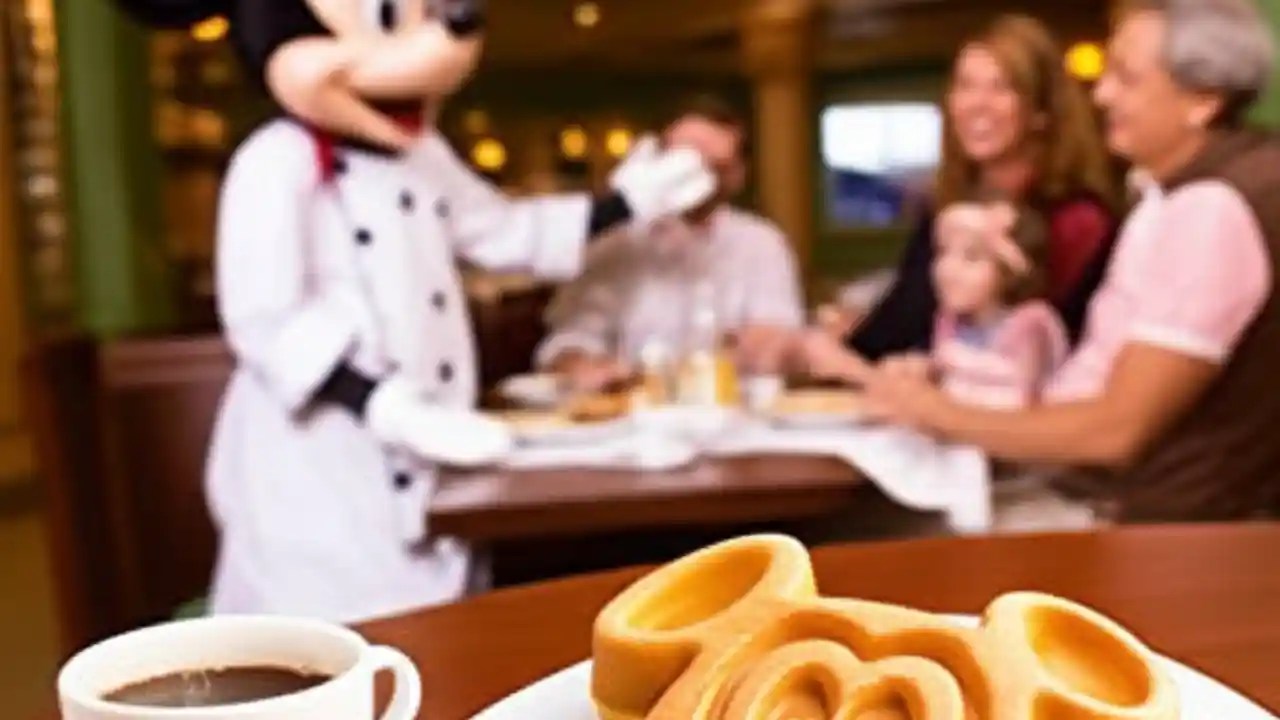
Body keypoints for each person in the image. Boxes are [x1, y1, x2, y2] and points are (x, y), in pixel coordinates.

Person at [118, 0, 717, 622]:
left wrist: (627, 204)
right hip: (322, 476)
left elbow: (506, 233)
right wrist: (385, 405)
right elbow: (267, 320)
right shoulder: (275, 160)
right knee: (329, 658)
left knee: (439, 643)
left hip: (433, 480)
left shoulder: (422, 157)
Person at [868, 0, 1280, 524]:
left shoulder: (1210, 209)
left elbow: (1114, 433)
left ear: (1202, 100)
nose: (1102, 94)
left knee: (855, 538)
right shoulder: (1182, 192)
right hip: (1097, 497)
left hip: (1138, 523)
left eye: (1126, 79)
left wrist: (935, 411)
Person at [794, 14, 1118, 383]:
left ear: (1041, 113)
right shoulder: (946, 207)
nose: (977, 104)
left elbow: (1038, 353)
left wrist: (873, 365)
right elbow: (897, 324)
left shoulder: (1077, 220)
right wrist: (834, 347)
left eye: (1002, 87)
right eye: (965, 86)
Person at [535, 98, 805, 389]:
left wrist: (761, 347)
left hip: (734, 410)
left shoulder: (761, 242)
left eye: (714, 166)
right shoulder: (617, 242)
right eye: (684, 161)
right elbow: (571, 339)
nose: (695, 177)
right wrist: (580, 365)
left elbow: (779, 333)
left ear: (739, 173)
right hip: (632, 412)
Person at [925, 196, 1068, 409]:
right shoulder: (949, 321)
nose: (948, 268)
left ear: (1008, 271)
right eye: (943, 252)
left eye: (971, 257)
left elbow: (1027, 404)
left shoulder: (1028, 326)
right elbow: (944, 381)